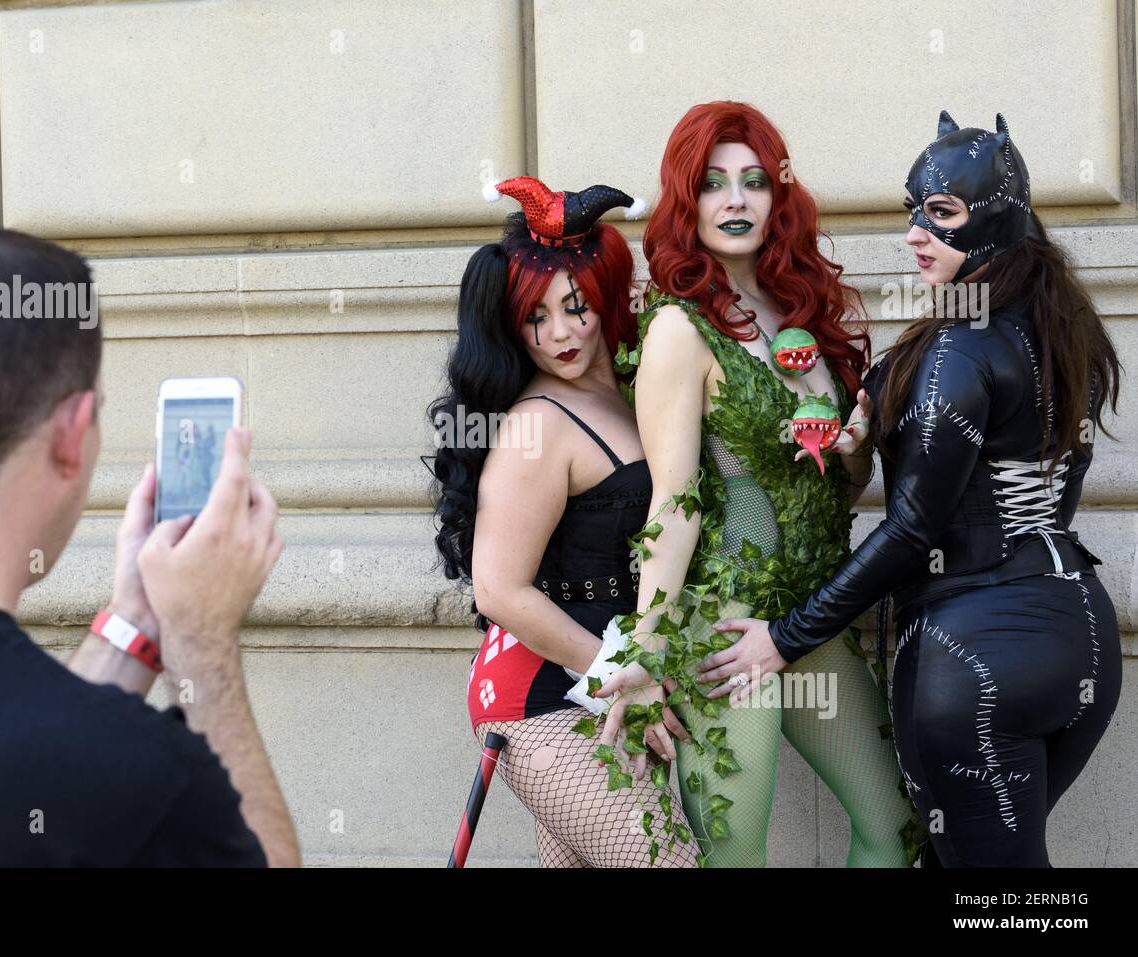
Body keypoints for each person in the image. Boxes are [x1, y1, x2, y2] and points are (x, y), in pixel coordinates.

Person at [702, 112, 1124, 867]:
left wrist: (785, 636)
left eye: (942, 213)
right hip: (1083, 642)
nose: (914, 234)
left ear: (996, 218)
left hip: (975, 656)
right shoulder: (1066, 329)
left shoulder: (957, 350)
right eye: (913, 211)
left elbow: (911, 532)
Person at [0, 224, 299, 866]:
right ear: (72, 434)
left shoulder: (78, 753)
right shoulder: (128, 774)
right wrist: (201, 642)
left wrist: (136, 620)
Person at [597, 102, 919, 866]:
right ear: (687, 202)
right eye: (712, 184)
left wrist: (848, 442)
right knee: (735, 858)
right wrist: (643, 650)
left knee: (896, 825)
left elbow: (849, 483)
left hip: (811, 616)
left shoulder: (809, 312)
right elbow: (674, 503)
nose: (736, 200)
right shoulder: (679, 329)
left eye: (752, 182)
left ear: (779, 197)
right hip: (724, 628)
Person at [428, 176, 697, 866]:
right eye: (535, 318)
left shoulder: (628, 389)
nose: (561, 334)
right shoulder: (537, 424)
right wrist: (621, 674)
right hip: (538, 694)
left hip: (597, 687)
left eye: (575, 307)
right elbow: (498, 590)